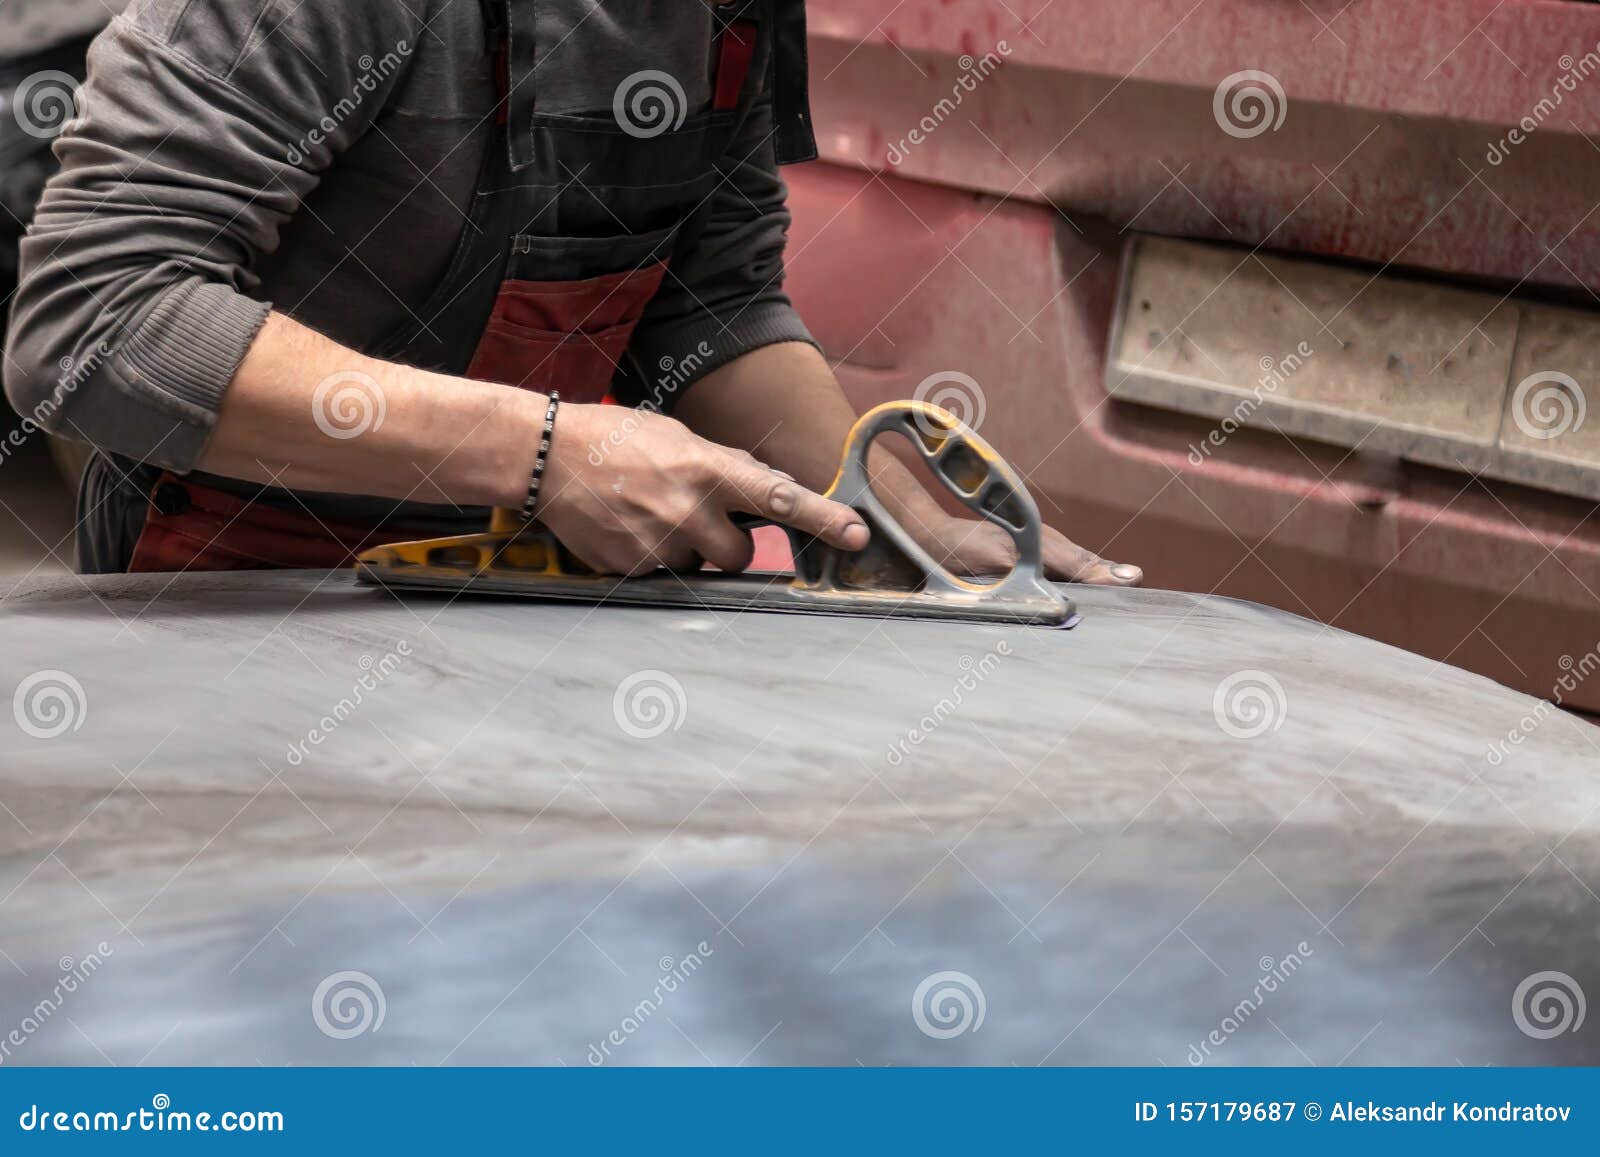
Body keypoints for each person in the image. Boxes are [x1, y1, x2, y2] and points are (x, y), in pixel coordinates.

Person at [4, 0, 1141, 586]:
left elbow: (711, 299)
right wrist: (549, 455)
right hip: (234, 616)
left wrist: (894, 517)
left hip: (504, 614)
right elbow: (95, 320)